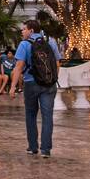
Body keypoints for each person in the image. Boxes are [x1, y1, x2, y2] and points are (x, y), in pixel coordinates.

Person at [10, 19, 60, 158]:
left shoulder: (24, 44)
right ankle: (46, 150)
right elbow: (57, 64)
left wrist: (13, 87)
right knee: (47, 116)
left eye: (24, 29)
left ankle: (33, 147)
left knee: (31, 115)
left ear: (31, 30)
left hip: (31, 84)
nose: (22, 31)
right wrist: (52, 79)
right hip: (49, 85)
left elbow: (19, 66)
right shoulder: (51, 42)